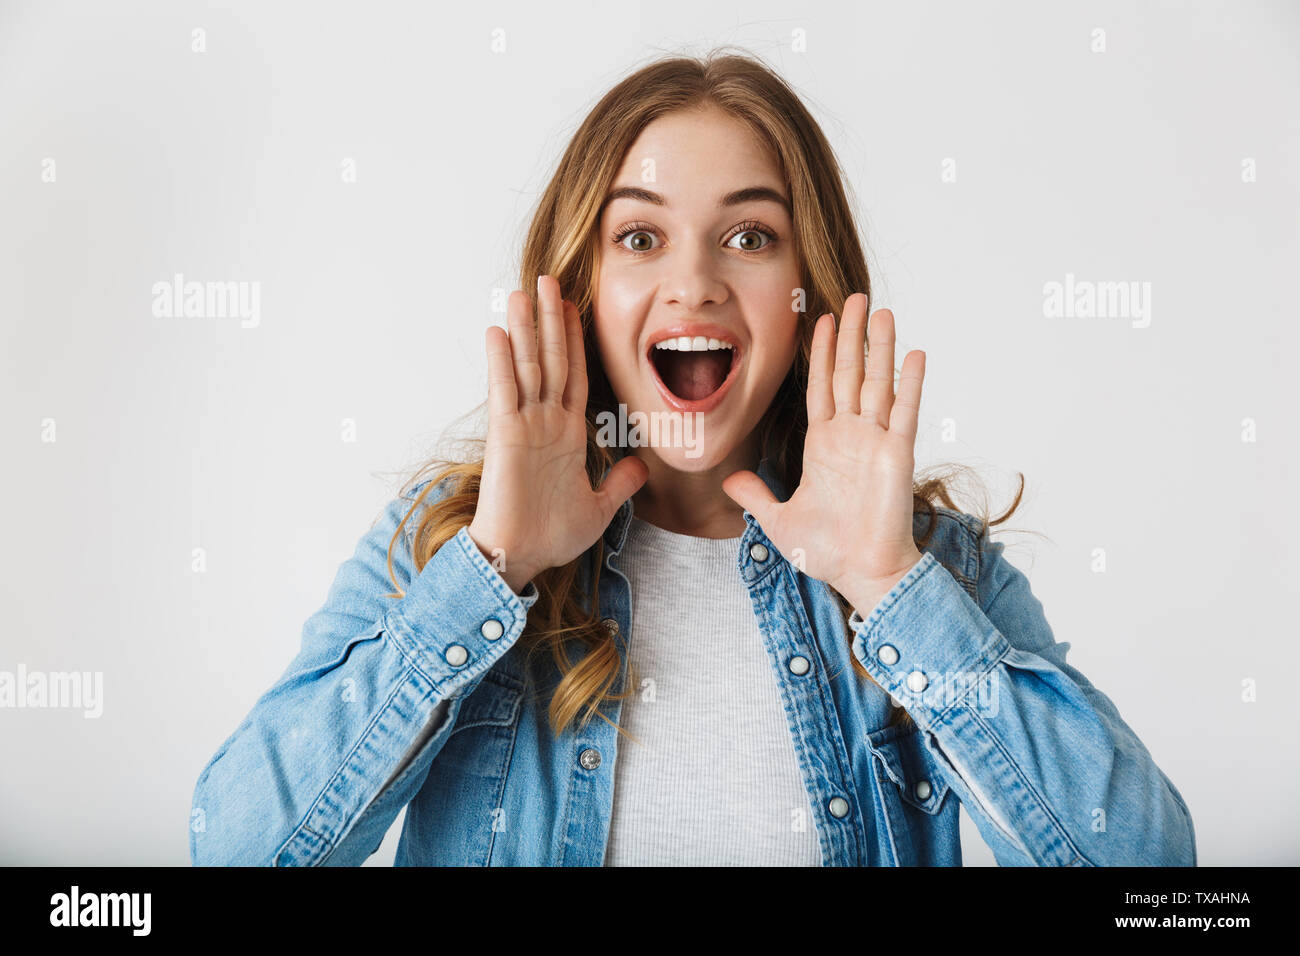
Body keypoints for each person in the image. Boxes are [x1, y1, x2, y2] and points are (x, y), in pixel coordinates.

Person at [190, 49, 1196, 867]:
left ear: (810, 292)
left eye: (750, 236)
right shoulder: (449, 543)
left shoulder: (928, 563)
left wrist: (887, 585)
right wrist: (492, 567)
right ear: (580, 286)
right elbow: (233, 848)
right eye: (639, 237)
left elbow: (1153, 872)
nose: (694, 283)